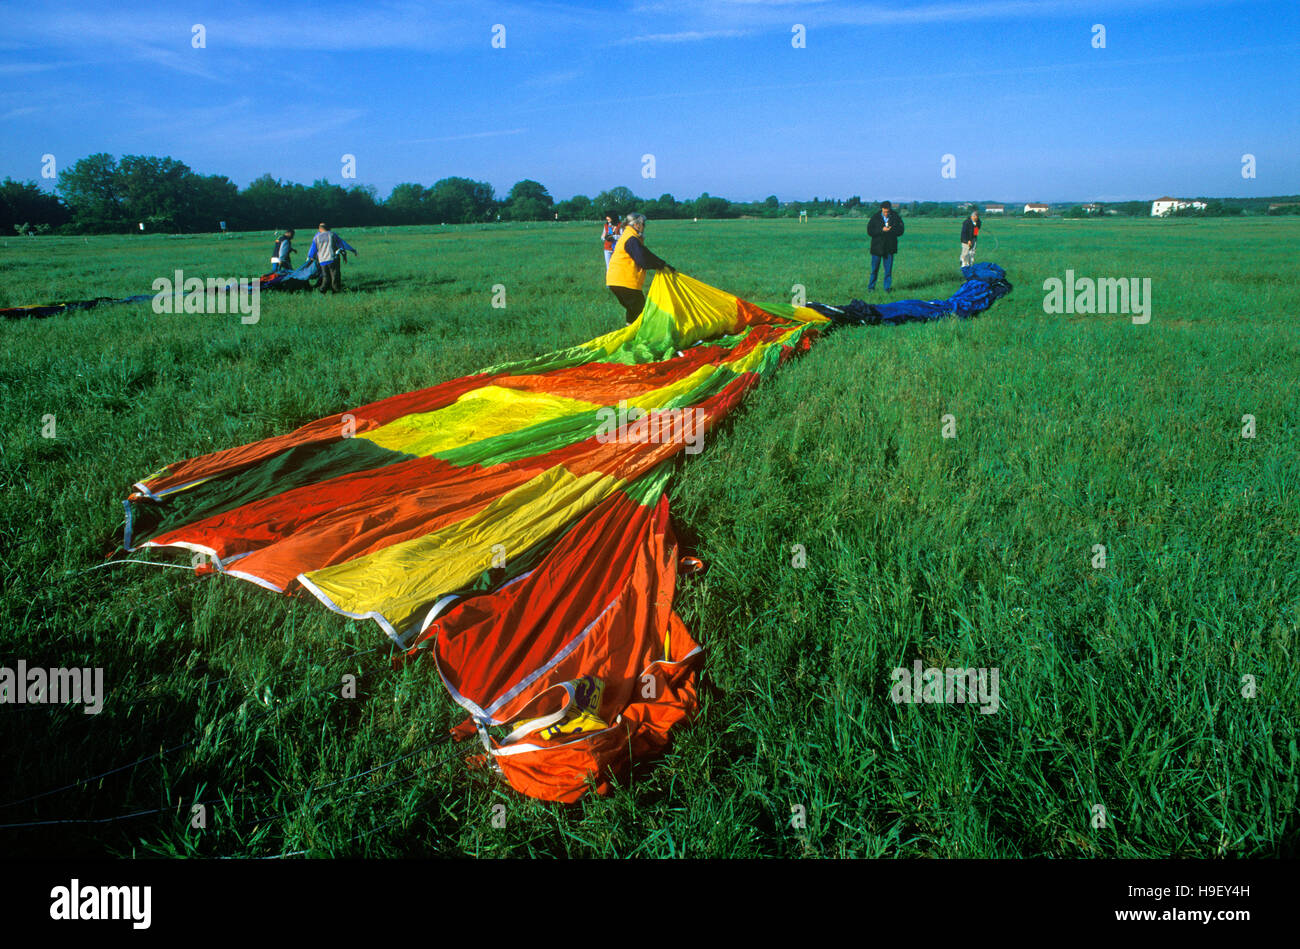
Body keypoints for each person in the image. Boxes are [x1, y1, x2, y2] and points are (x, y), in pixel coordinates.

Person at [605, 212, 674, 323]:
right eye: (643, 224)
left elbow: (646, 253)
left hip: (615, 281)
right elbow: (643, 261)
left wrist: (663, 264)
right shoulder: (631, 239)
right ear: (637, 225)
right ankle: (643, 337)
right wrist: (660, 266)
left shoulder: (630, 236)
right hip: (625, 282)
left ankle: (630, 334)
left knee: (633, 311)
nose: (644, 227)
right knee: (642, 313)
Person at [306, 222, 357, 293]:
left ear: (320, 229)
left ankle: (322, 290)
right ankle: (336, 290)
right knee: (335, 276)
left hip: (322, 261)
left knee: (326, 277)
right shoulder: (332, 235)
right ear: (328, 228)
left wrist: (309, 259)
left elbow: (313, 250)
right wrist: (352, 250)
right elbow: (342, 244)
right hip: (332, 259)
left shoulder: (316, 237)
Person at [866, 200, 904, 291]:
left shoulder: (895, 217)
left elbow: (901, 230)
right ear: (881, 209)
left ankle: (887, 288)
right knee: (874, 270)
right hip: (877, 249)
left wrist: (891, 230)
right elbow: (870, 231)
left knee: (888, 271)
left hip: (889, 248)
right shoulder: (875, 218)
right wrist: (881, 230)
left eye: (888, 211)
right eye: (884, 211)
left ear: (890, 209)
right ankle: (871, 288)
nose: (886, 213)